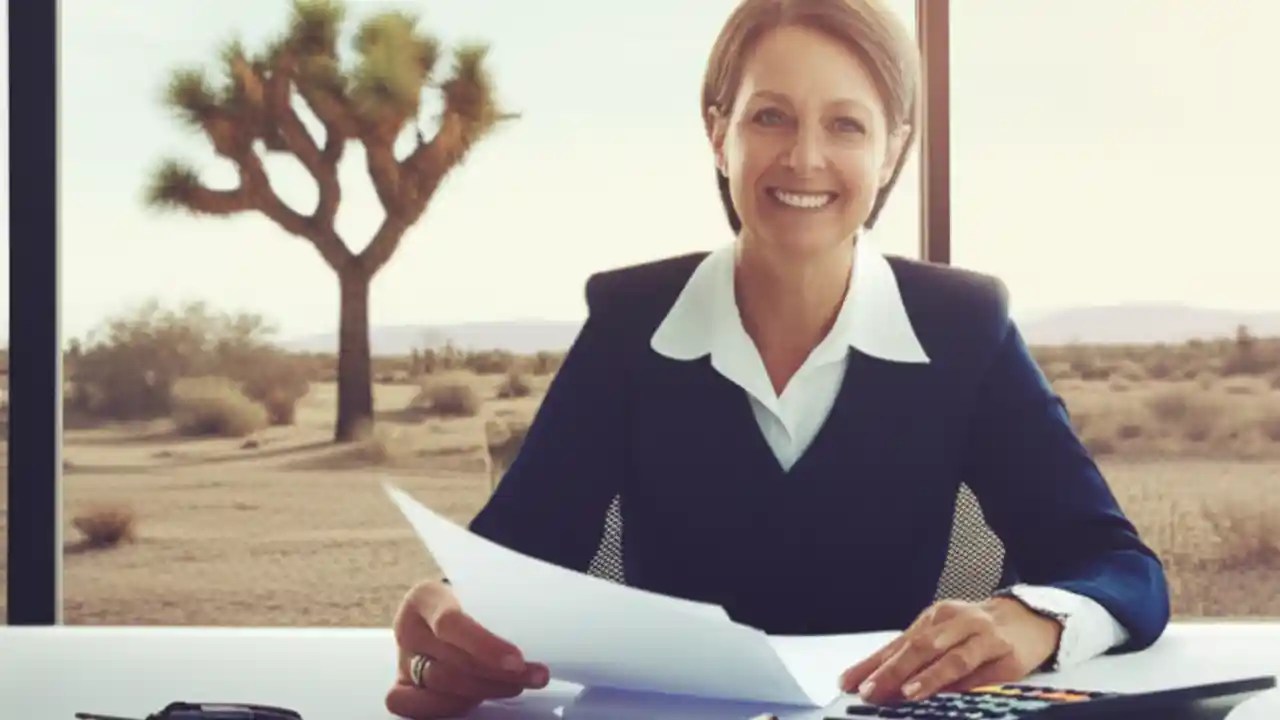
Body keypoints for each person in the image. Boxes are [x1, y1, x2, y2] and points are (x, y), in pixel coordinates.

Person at [386, 0, 1171, 717]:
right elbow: (515, 559)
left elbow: (1118, 566)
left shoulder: (965, 327)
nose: (804, 158)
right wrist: (449, 613)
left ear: (894, 150)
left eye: (846, 126)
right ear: (716, 131)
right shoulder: (630, 325)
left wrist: (1029, 619)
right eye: (770, 117)